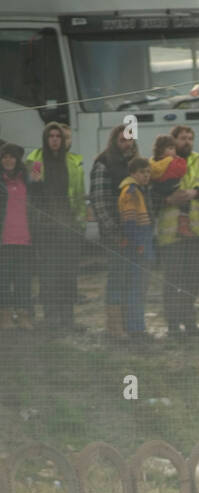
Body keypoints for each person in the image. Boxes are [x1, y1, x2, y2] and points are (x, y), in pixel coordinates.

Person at [155, 124, 199, 339]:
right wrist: (166, 199)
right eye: (182, 138)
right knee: (173, 280)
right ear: (174, 141)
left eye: (190, 137)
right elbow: (150, 192)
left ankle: (189, 321)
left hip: (195, 231)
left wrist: (195, 192)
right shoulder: (160, 163)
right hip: (170, 234)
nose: (187, 141)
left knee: (193, 280)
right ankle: (173, 325)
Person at [26, 122, 85, 334]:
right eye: (50, 136)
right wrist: (34, 183)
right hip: (46, 226)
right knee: (49, 274)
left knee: (68, 274)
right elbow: (31, 192)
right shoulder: (36, 160)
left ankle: (67, 319)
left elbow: (79, 193)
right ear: (45, 138)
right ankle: (51, 319)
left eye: (58, 136)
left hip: (68, 226)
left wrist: (80, 223)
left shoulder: (72, 162)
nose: (54, 139)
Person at [90, 125, 138, 339]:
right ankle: (115, 326)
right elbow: (98, 201)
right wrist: (112, 230)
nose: (126, 144)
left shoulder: (136, 163)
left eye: (129, 140)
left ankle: (130, 324)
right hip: (114, 232)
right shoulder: (103, 162)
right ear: (114, 141)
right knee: (117, 277)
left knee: (132, 278)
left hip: (135, 231)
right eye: (122, 140)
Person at [117, 157, 155, 339]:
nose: (146, 175)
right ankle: (136, 328)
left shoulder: (139, 190)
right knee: (136, 288)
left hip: (142, 244)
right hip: (138, 246)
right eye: (142, 172)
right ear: (132, 173)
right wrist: (137, 244)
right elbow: (130, 221)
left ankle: (136, 326)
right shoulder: (131, 191)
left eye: (148, 172)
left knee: (139, 287)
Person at [0, 145, 33, 330]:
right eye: (4, 157)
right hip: (4, 240)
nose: (8, 161)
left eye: (12, 157)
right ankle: (4, 316)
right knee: (3, 281)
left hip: (24, 239)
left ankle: (24, 316)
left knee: (23, 281)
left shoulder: (26, 179)